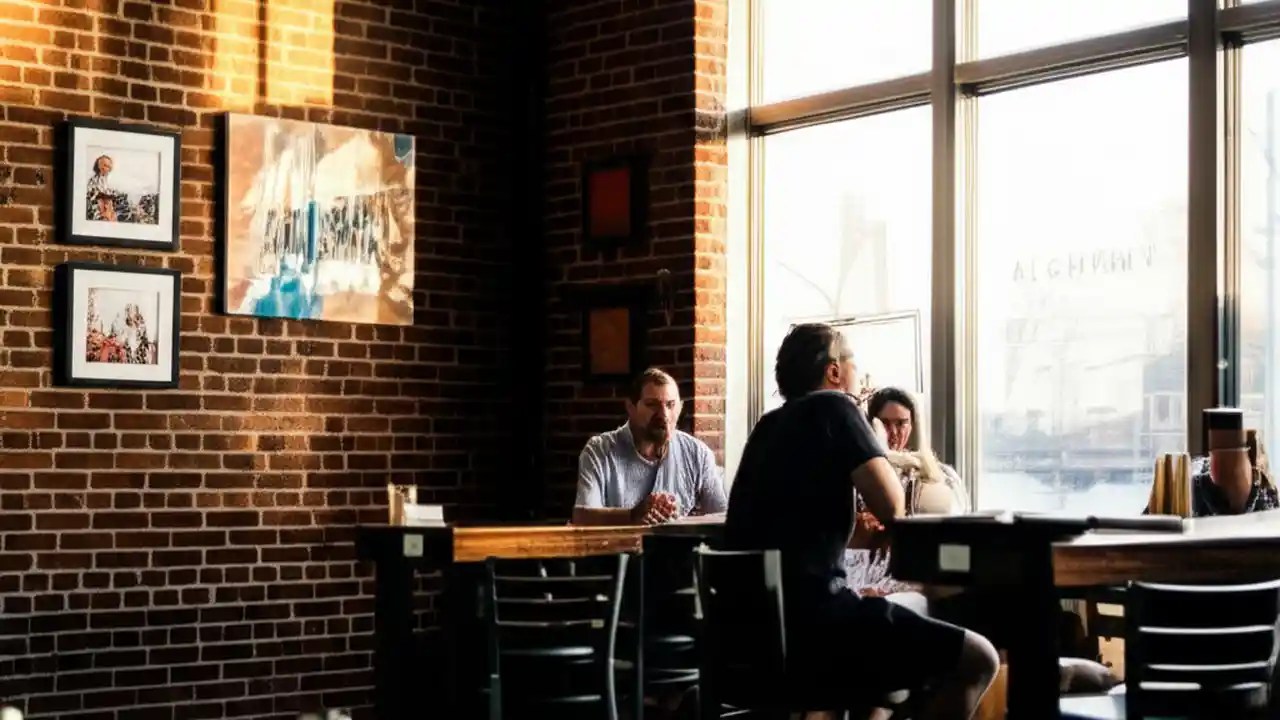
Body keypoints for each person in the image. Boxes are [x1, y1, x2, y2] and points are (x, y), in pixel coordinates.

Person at [725, 323, 999, 719]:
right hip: (818, 630)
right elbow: (893, 504)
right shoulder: (835, 407)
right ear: (834, 371)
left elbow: (792, 524)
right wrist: (873, 437)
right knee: (979, 658)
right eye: (853, 361)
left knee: (883, 662)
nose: (860, 373)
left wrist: (858, 533)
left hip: (750, 638)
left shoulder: (767, 427)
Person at [572, 368, 727, 526]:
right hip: (618, 549)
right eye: (652, 405)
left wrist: (680, 523)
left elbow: (722, 516)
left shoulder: (697, 454)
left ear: (680, 408)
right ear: (631, 407)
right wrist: (632, 516)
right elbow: (582, 517)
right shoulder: (599, 450)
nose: (663, 415)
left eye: (670, 405)